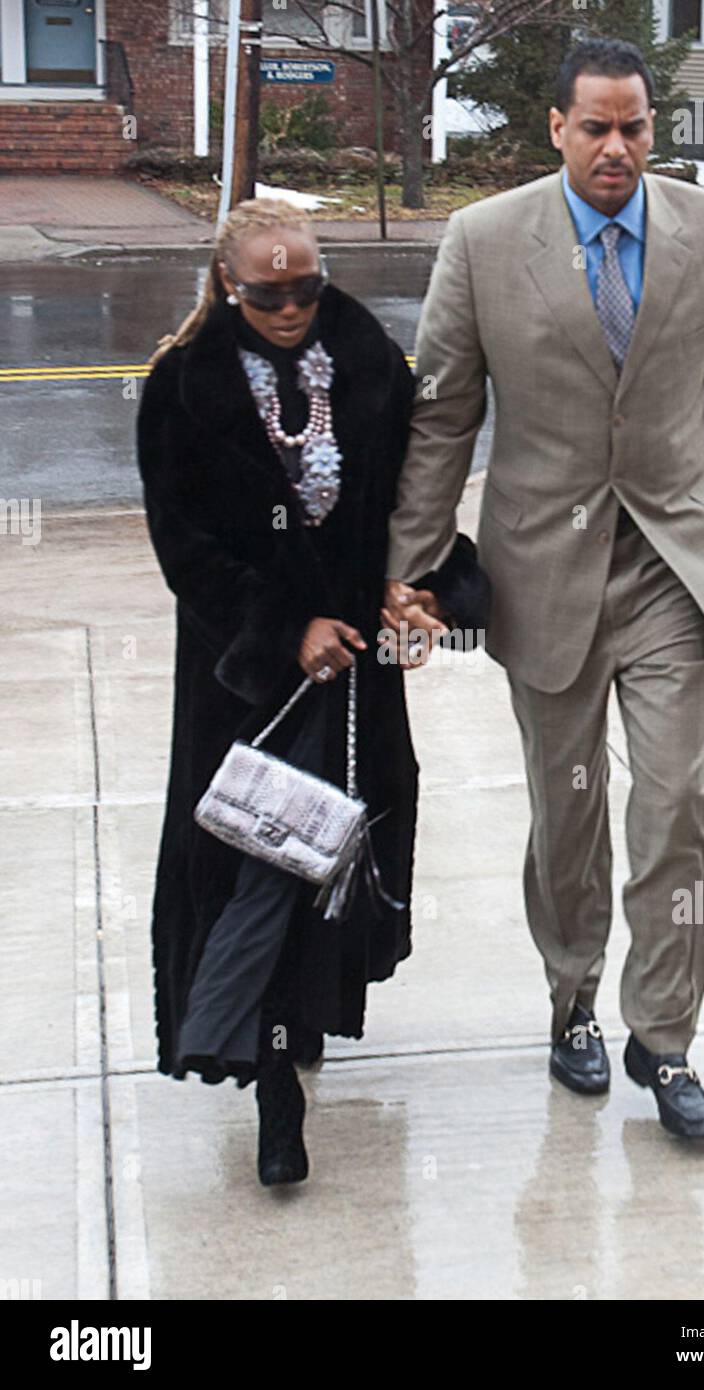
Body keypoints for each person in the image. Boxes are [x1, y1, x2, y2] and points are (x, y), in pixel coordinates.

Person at [385, 39, 704, 1141]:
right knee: (571, 811)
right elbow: (446, 413)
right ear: (555, 127)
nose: (617, 147)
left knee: (679, 799)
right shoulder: (484, 240)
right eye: (595, 126)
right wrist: (409, 570)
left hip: (669, 561)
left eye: (635, 127)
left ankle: (667, 1035)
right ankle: (572, 1001)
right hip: (540, 569)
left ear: (656, 127)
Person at [136, 198, 487, 1186]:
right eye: (267, 293)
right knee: (262, 857)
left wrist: (430, 589)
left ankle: (302, 1017)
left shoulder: (370, 360)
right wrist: (285, 629)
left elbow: (414, 498)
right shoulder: (182, 388)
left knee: (335, 852)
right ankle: (271, 1089)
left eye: (306, 289)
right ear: (224, 285)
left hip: (357, 675)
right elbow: (185, 550)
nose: (290, 308)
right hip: (242, 681)